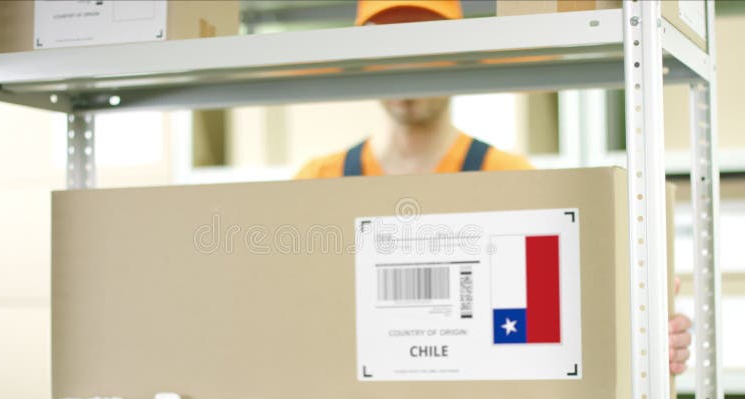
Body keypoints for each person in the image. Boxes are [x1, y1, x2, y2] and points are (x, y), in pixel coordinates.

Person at [295, 0, 692, 375]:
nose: (405, 61)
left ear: (459, 54)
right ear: (362, 57)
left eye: (424, 43)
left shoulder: (508, 177)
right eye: (387, 44)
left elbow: (561, 307)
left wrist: (639, 331)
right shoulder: (317, 183)